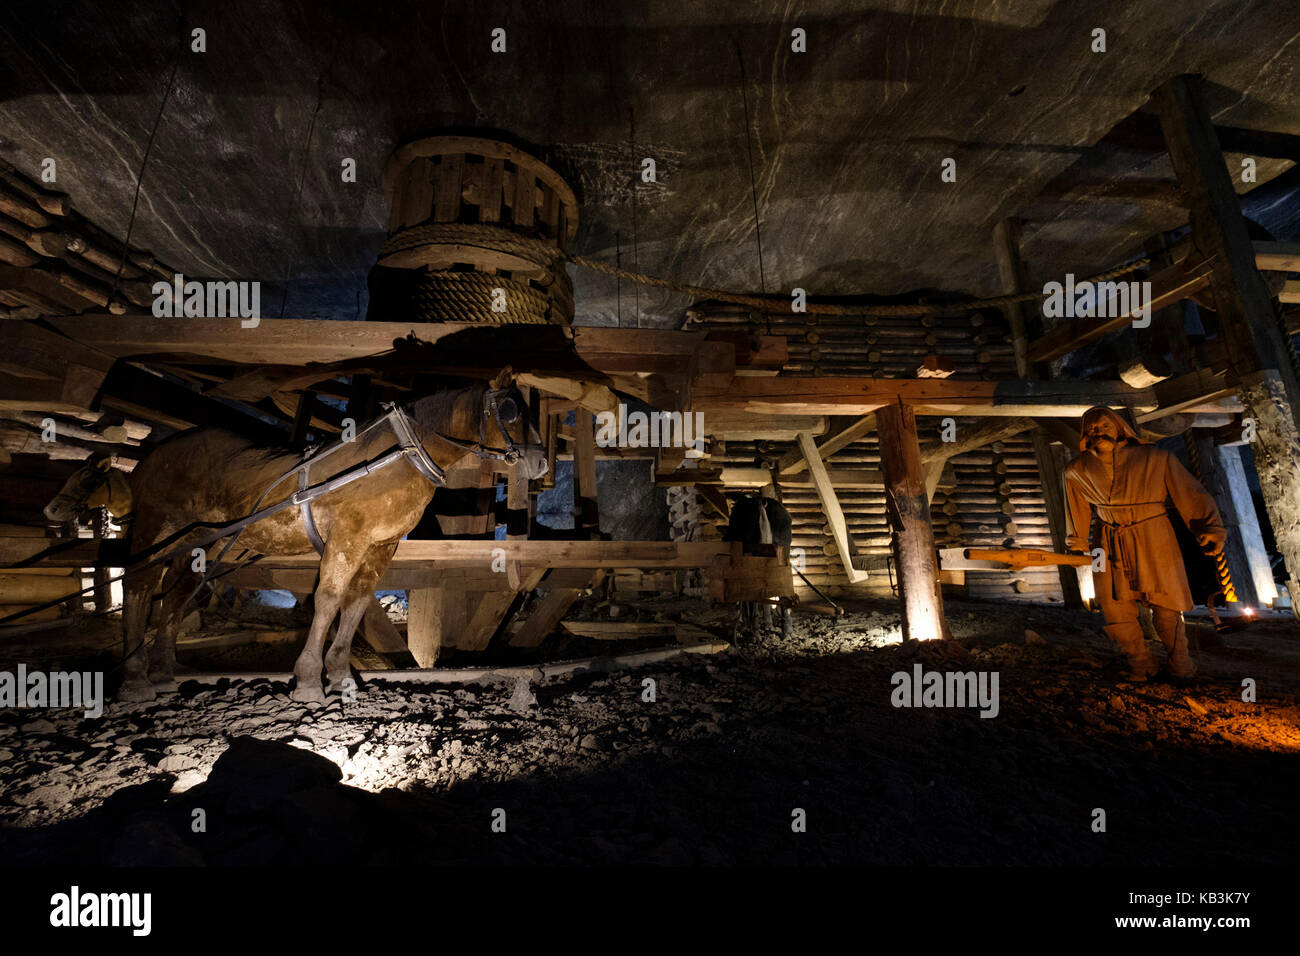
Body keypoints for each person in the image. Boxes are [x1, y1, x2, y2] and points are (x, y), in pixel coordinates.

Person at [1064, 407, 1226, 680]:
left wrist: (1209, 528)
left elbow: (1189, 492)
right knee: (1114, 606)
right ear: (1084, 434)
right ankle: (1140, 663)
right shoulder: (1076, 470)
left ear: (1120, 428)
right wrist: (1077, 541)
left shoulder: (1156, 458)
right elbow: (1075, 508)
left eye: (1104, 425)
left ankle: (1180, 664)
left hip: (1153, 534)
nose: (1098, 431)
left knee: (1166, 602)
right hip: (1107, 538)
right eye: (1091, 428)